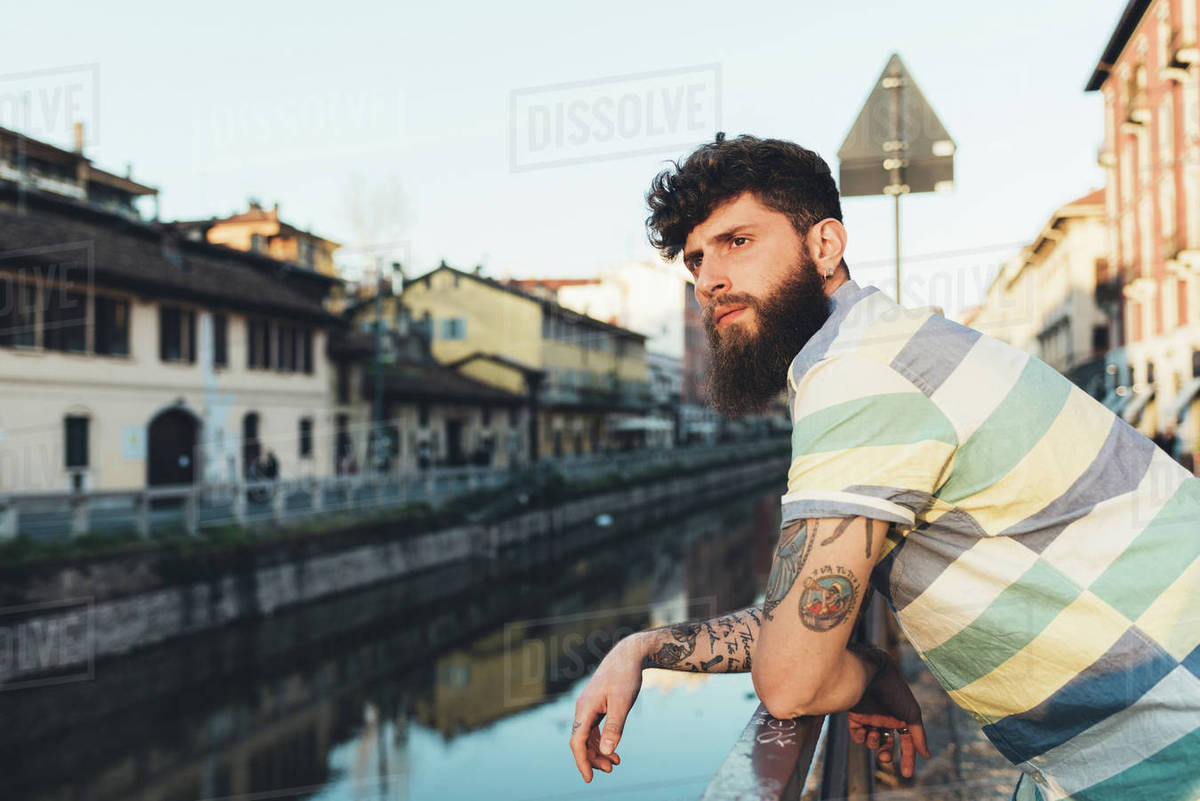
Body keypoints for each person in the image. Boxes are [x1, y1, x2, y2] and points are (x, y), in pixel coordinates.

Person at [569, 136, 1200, 801]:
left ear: (824, 245)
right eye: (696, 258)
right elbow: (804, 611)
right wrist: (645, 644)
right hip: (1118, 741)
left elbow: (792, 679)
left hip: (1170, 734)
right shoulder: (883, 344)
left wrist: (868, 670)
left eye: (738, 241)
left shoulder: (858, 374)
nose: (709, 279)